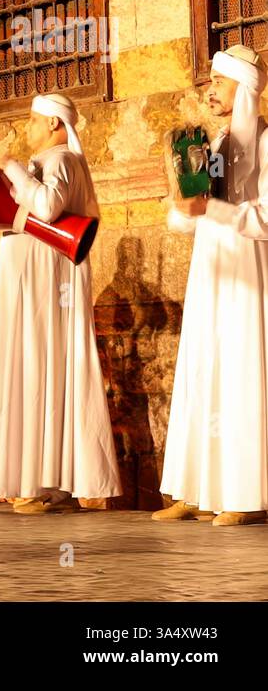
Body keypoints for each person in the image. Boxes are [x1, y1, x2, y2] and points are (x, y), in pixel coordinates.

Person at [0, 93, 121, 513]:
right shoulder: (50, 162)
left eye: (33, 121)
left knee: (38, 365)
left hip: (42, 282)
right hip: (26, 278)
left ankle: (38, 481)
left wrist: (12, 167)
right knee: (24, 366)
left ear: (54, 124)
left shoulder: (63, 159)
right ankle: (33, 478)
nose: (26, 128)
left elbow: (49, 207)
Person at [155, 44, 268, 527]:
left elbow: (263, 219)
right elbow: (192, 214)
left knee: (240, 374)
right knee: (202, 370)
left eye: (219, 83)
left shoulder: (265, 144)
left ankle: (244, 495)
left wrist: (212, 211)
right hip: (209, 272)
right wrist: (181, 206)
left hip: (246, 272)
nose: (210, 92)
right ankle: (197, 489)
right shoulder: (216, 147)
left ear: (243, 89)